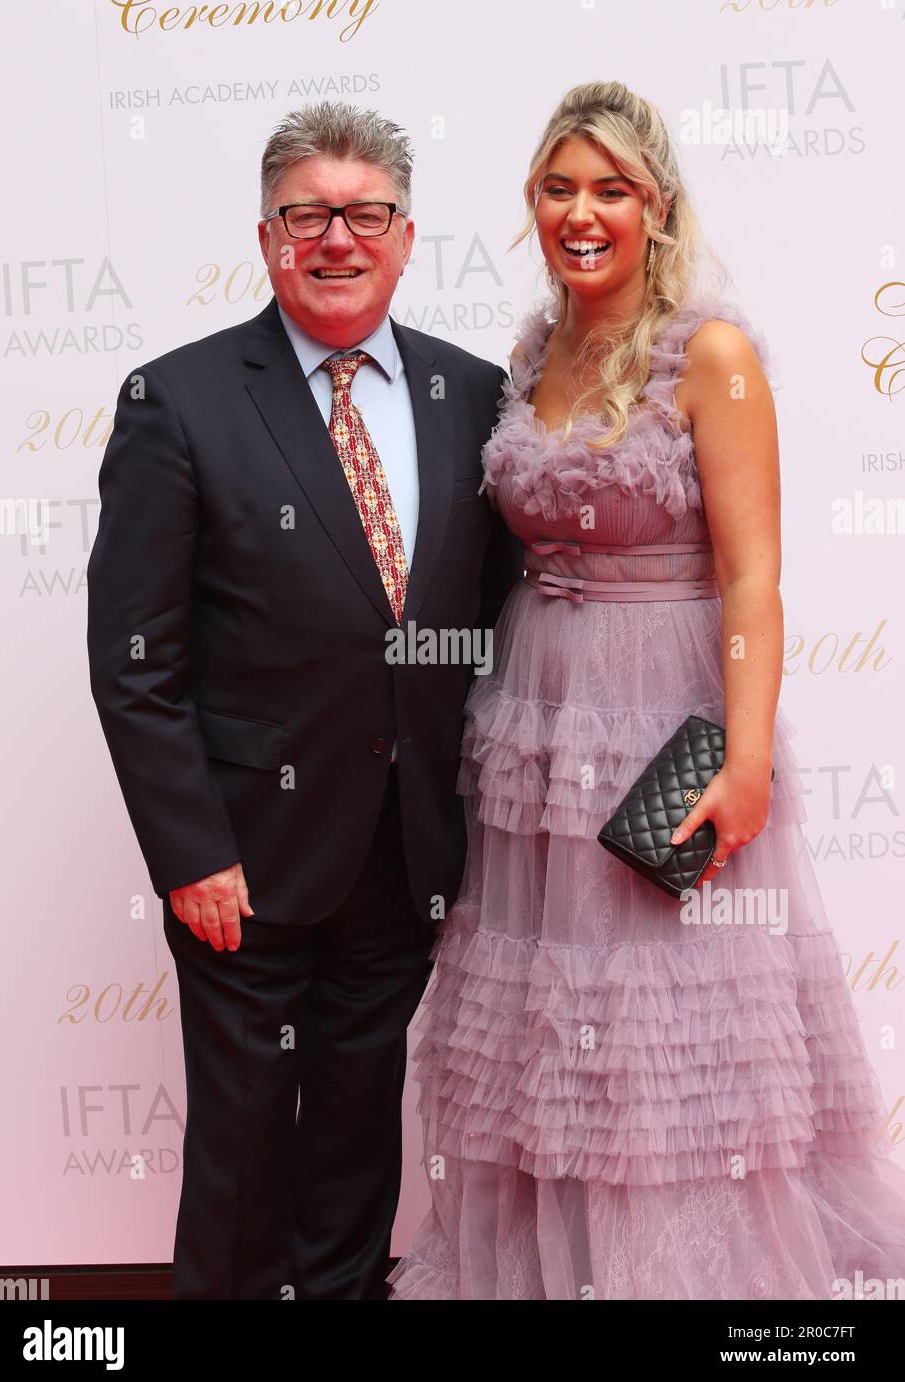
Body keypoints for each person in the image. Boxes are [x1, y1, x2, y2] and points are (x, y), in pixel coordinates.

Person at [387, 80, 905, 1300]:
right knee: (550, 1013)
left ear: (654, 206)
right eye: (559, 187)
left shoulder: (709, 353)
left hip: (665, 708)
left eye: (608, 189)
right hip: (534, 714)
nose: (581, 212)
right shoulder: (534, 347)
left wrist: (740, 763)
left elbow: (755, 578)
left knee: (666, 1016)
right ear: (532, 203)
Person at [86, 100, 523, 1300]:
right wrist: (187, 850)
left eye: (364, 213)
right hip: (242, 864)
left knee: (352, 1147)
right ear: (268, 235)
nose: (337, 238)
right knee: (238, 1157)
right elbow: (134, 655)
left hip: (406, 851)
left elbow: (481, 624)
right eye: (307, 215)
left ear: (405, 233)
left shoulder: (472, 396)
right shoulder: (175, 401)